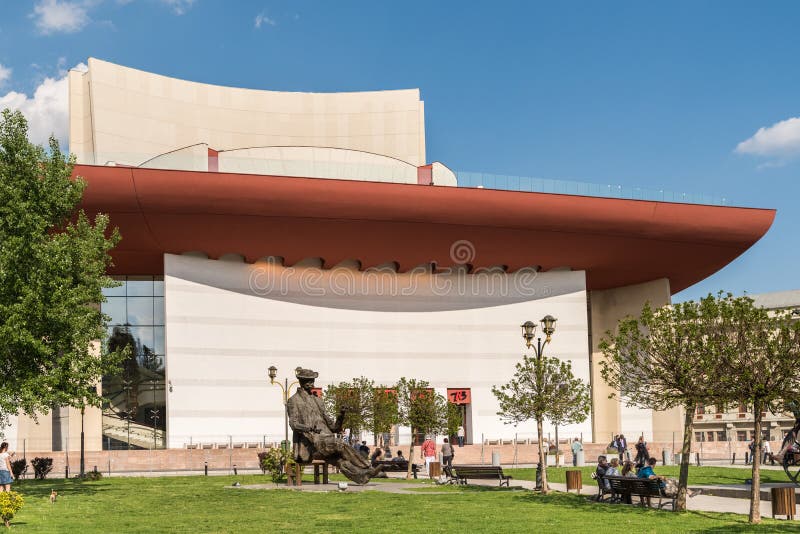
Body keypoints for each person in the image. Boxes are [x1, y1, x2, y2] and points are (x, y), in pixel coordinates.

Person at [286, 368, 382, 485]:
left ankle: (363, 476)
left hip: (326, 442)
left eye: (313, 380)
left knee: (340, 461)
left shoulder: (318, 401)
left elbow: (334, 428)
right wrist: (309, 428)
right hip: (311, 445)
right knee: (340, 444)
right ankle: (368, 467)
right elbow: (293, 424)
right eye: (309, 381)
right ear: (301, 381)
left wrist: (341, 414)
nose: (312, 383)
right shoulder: (293, 401)